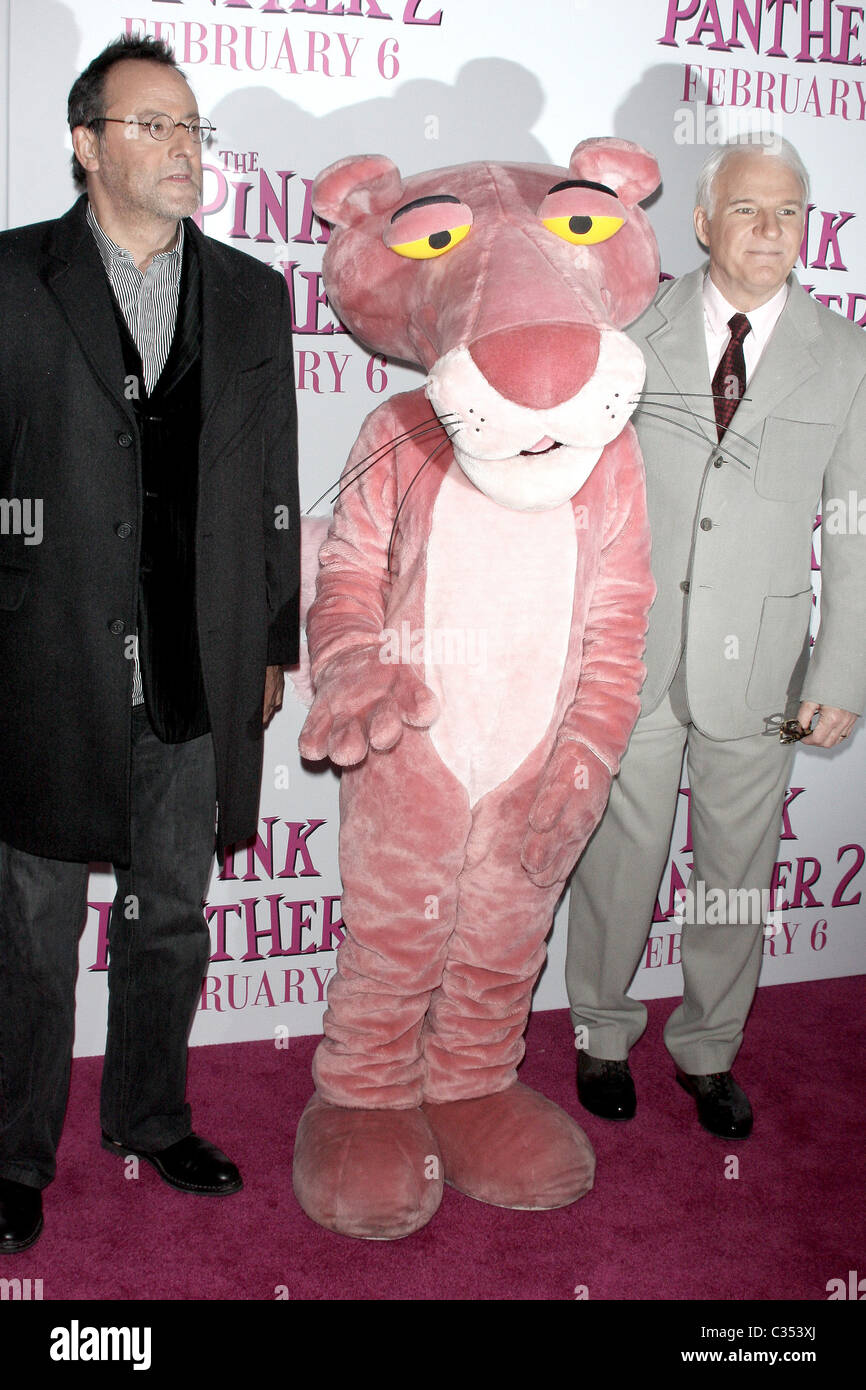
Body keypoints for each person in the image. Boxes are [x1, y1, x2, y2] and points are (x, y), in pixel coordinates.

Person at [0, 35, 299, 1252]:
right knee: (29, 933)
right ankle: (16, 1150)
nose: (185, 152)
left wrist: (271, 637)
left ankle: (149, 1115)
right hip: (43, 664)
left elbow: (273, 481)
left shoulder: (249, 293)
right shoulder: (14, 278)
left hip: (197, 663)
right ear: (86, 145)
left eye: (192, 130)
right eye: (154, 128)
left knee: (169, 914)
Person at [566, 133, 866, 1138]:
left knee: (736, 874)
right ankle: (600, 1035)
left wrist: (841, 669)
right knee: (618, 858)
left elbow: (852, 521)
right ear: (700, 223)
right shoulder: (629, 327)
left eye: (787, 211)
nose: (769, 229)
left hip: (767, 670)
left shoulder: (845, 354)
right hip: (637, 652)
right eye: (746, 209)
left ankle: (705, 1048)